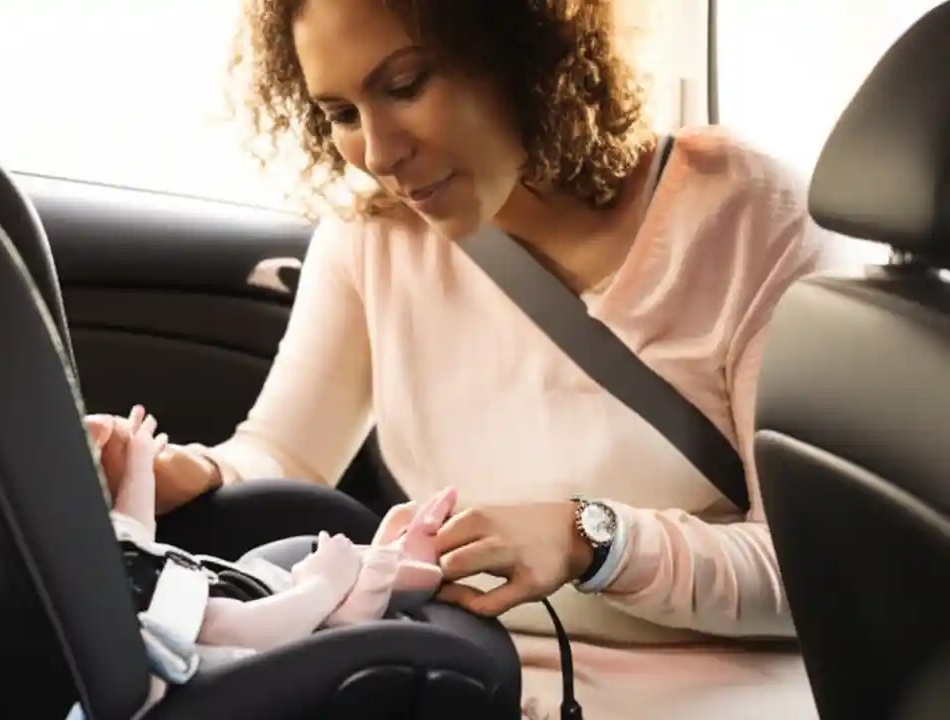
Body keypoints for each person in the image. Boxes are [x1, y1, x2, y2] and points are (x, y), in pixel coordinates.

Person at [89, 0, 838, 717]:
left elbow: (818, 575)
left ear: (525, 42)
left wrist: (591, 538)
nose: (378, 153)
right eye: (341, 114)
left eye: (406, 85)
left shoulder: (747, 215)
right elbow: (285, 457)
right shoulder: (374, 235)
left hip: (715, 692)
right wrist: (188, 473)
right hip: (465, 676)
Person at [90, 406, 458, 706]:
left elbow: (133, 535)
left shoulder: (87, 549)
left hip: (204, 590)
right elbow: (235, 630)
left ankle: (375, 575)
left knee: (281, 564)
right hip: (214, 652)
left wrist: (138, 461)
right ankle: (350, 598)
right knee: (247, 613)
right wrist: (321, 586)